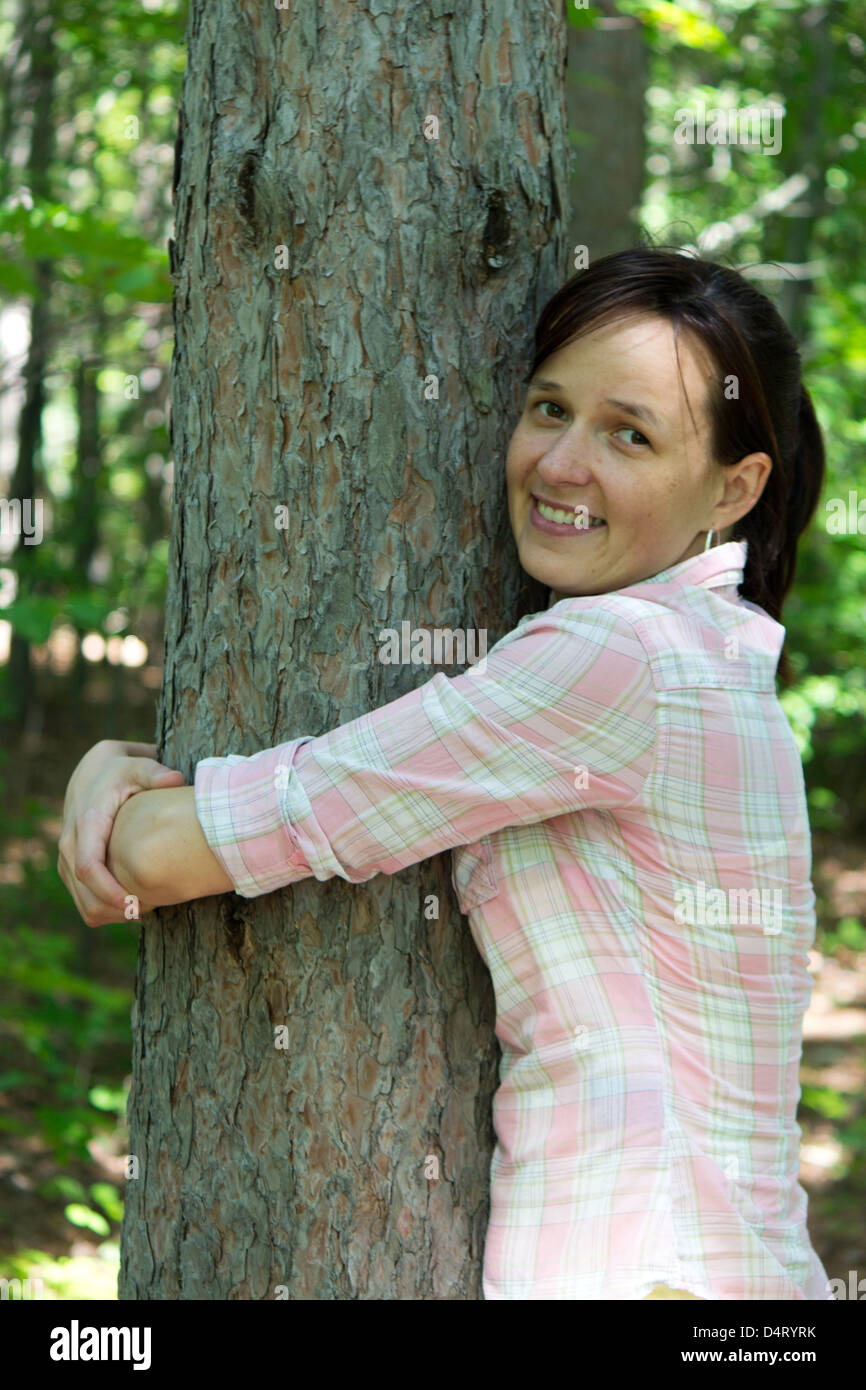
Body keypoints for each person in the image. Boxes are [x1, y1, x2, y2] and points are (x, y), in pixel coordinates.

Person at [58, 246, 833, 1300]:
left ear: (734, 487)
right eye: (549, 408)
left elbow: (165, 854)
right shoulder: (709, 660)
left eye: (629, 434)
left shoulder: (615, 660)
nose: (561, 464)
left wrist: (104, 776)